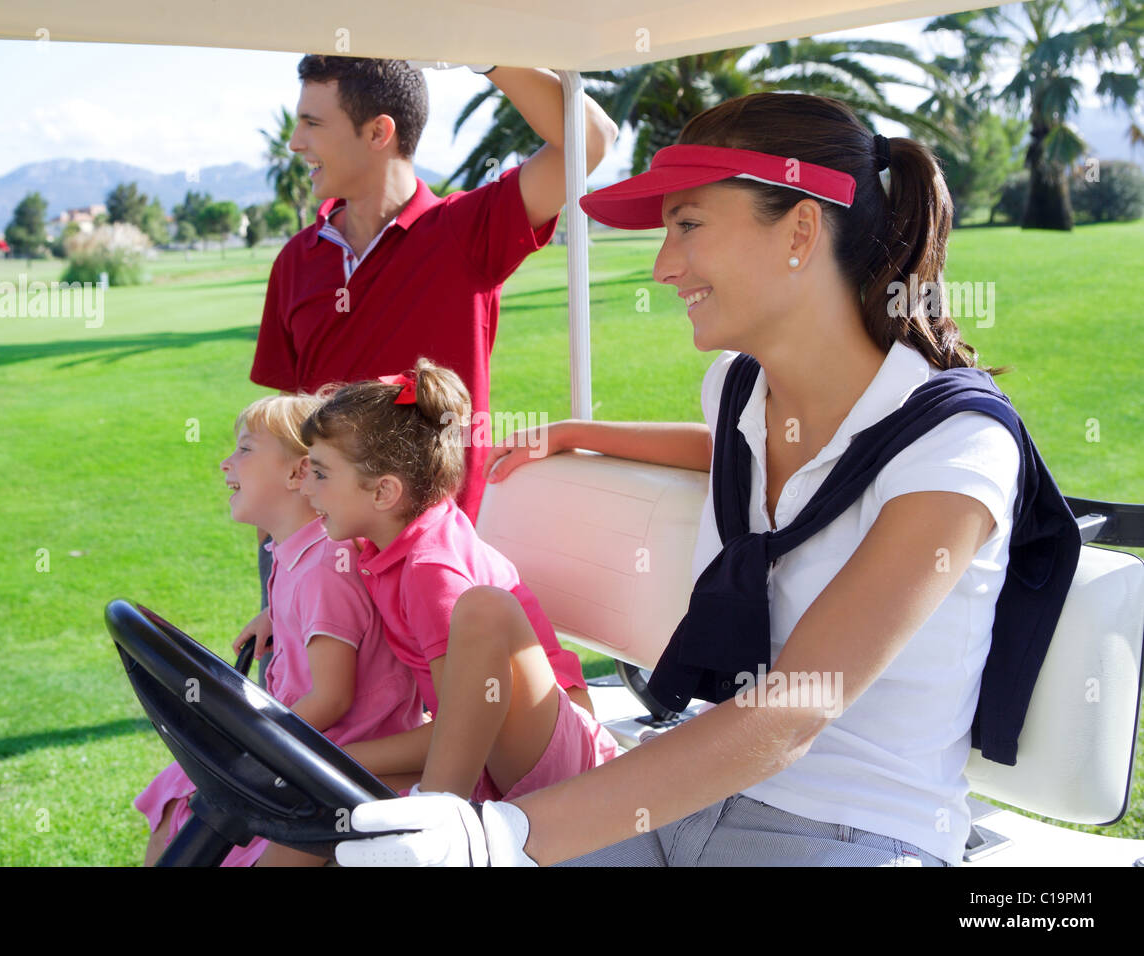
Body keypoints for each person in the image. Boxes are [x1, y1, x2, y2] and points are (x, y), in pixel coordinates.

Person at [330, 92, 1078, 868]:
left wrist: (506, 833)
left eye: (688, 224)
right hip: (686, 798)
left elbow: (795, 710)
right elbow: (741, 451)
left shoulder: (958, 446)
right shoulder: (739, 390)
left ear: (800, 229)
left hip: (851, 833)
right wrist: (582, 432)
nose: (663, 265)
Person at [248, 54, 617, 675]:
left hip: (421, 566)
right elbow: (285, 434)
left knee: (427, 750)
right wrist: (276, 580)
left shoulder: (466, 229)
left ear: (378, 131)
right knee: (302, 754)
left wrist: (484, 47)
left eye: (312, 123)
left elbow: (591, 141)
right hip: (313, 562)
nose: (296, 141)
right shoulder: (295, 261)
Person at [296, 358, 618, 805]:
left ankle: (443, 828)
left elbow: (460, 731)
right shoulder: (392, 539)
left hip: (552, 759)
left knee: (326, 777)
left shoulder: (432, 570)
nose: (305, 487)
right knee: (319, 803)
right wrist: (275, 614)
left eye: (320, 473)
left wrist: (328, 754)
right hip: (500, 746)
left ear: (384, 492)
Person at [135, 394, 425, 866]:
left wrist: (256, 745)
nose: (226, 462)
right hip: (309, 749)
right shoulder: (297, 555)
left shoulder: (323, 568)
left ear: (297, 474)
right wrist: (276, 614)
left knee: (208, 821)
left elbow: (332, 699)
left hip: (336, 763)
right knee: (176, 794)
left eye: (245, 450)